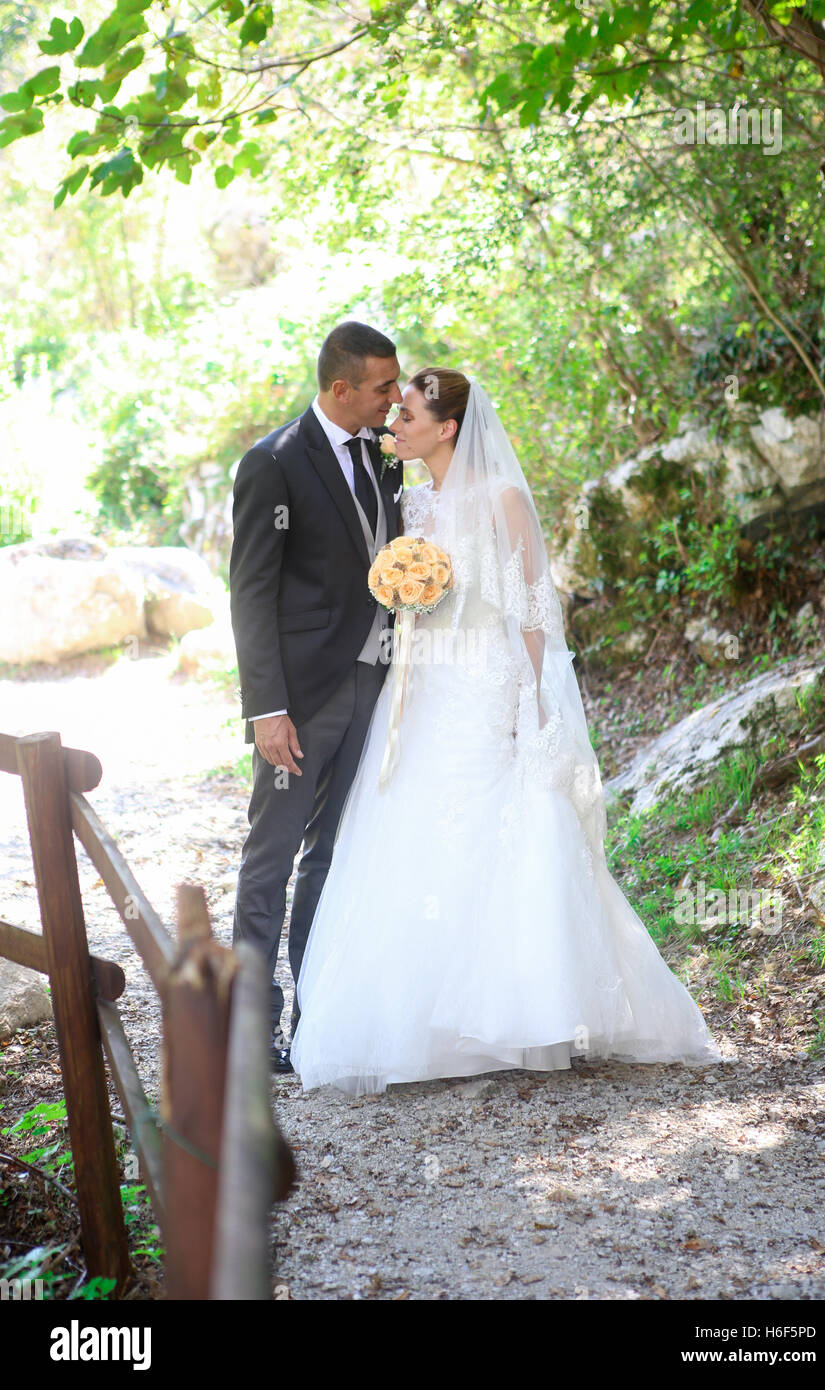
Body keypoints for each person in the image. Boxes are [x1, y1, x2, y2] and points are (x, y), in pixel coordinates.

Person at [290, 368, 724, 1095]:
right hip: (425, 688)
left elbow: (533, 614)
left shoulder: (504, 499)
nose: (395, 424)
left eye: (409, 414)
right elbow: (413, 609)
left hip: (490, 684)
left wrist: (534, 703)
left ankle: (524, 1010)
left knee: (509, 825)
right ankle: (430, 1022)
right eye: (393, 414)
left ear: (448, 426)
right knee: (414, 831)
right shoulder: (413, 504)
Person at [229, 321, 404, 1072]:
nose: (395, 400)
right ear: (340, 389)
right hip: (299, 704)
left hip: (376, 684)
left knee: (332, 852)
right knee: (270, 859)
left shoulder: (386, 460)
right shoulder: (272, 463)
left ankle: (315, 1019)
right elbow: (250, 591)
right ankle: (247, 1029)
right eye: (383, 388)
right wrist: (266, 709)